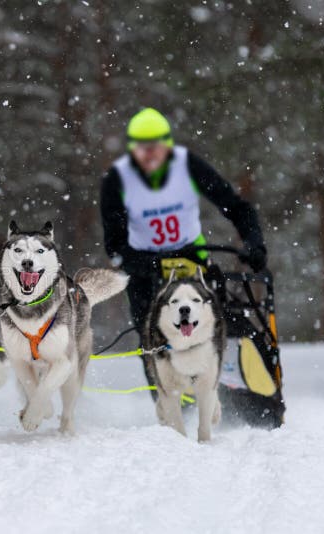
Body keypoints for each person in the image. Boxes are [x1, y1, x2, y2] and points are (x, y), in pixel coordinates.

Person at [100, 108, 267, 387]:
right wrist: (142, 264)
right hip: (145, 270)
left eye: (156, 146)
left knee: (209, 326)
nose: (150, 154)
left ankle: (224, 386)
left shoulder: (187, 165)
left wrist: (254, 243)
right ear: (131, 150)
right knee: (151, 335)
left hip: (191, 260)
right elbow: (115, 246)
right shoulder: (117, 180)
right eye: (142, 148)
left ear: (168, 145)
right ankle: (168, 402)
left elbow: (237, 207)